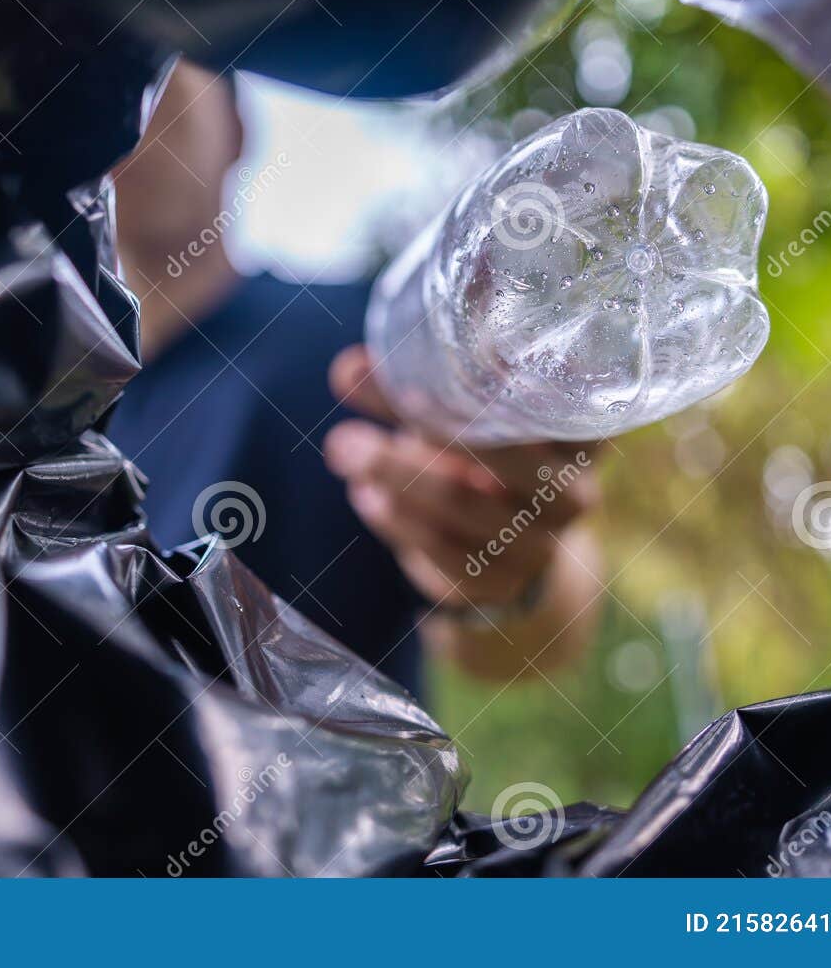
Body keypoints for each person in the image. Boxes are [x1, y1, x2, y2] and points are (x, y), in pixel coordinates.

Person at [104, 60, 605, 696]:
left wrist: (506, 573)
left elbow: (549, 633)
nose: (125, 112)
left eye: (156, 81)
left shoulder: (380, 335)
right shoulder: (23, 434)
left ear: (234, 129)